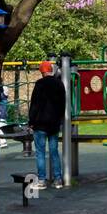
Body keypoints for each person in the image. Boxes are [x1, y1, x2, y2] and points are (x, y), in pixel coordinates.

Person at [26, 61, 66, 189]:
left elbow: (35, 105)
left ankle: (42, 180)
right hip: (53, 123)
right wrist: (59, 119)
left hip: (40, 123)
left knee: (40, 153)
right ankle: (58, 179)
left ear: (42, 72)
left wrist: (31, 122)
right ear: (51, 70)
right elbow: (62, 104)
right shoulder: (59, 84)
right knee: (54, 152)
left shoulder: (40, 84)